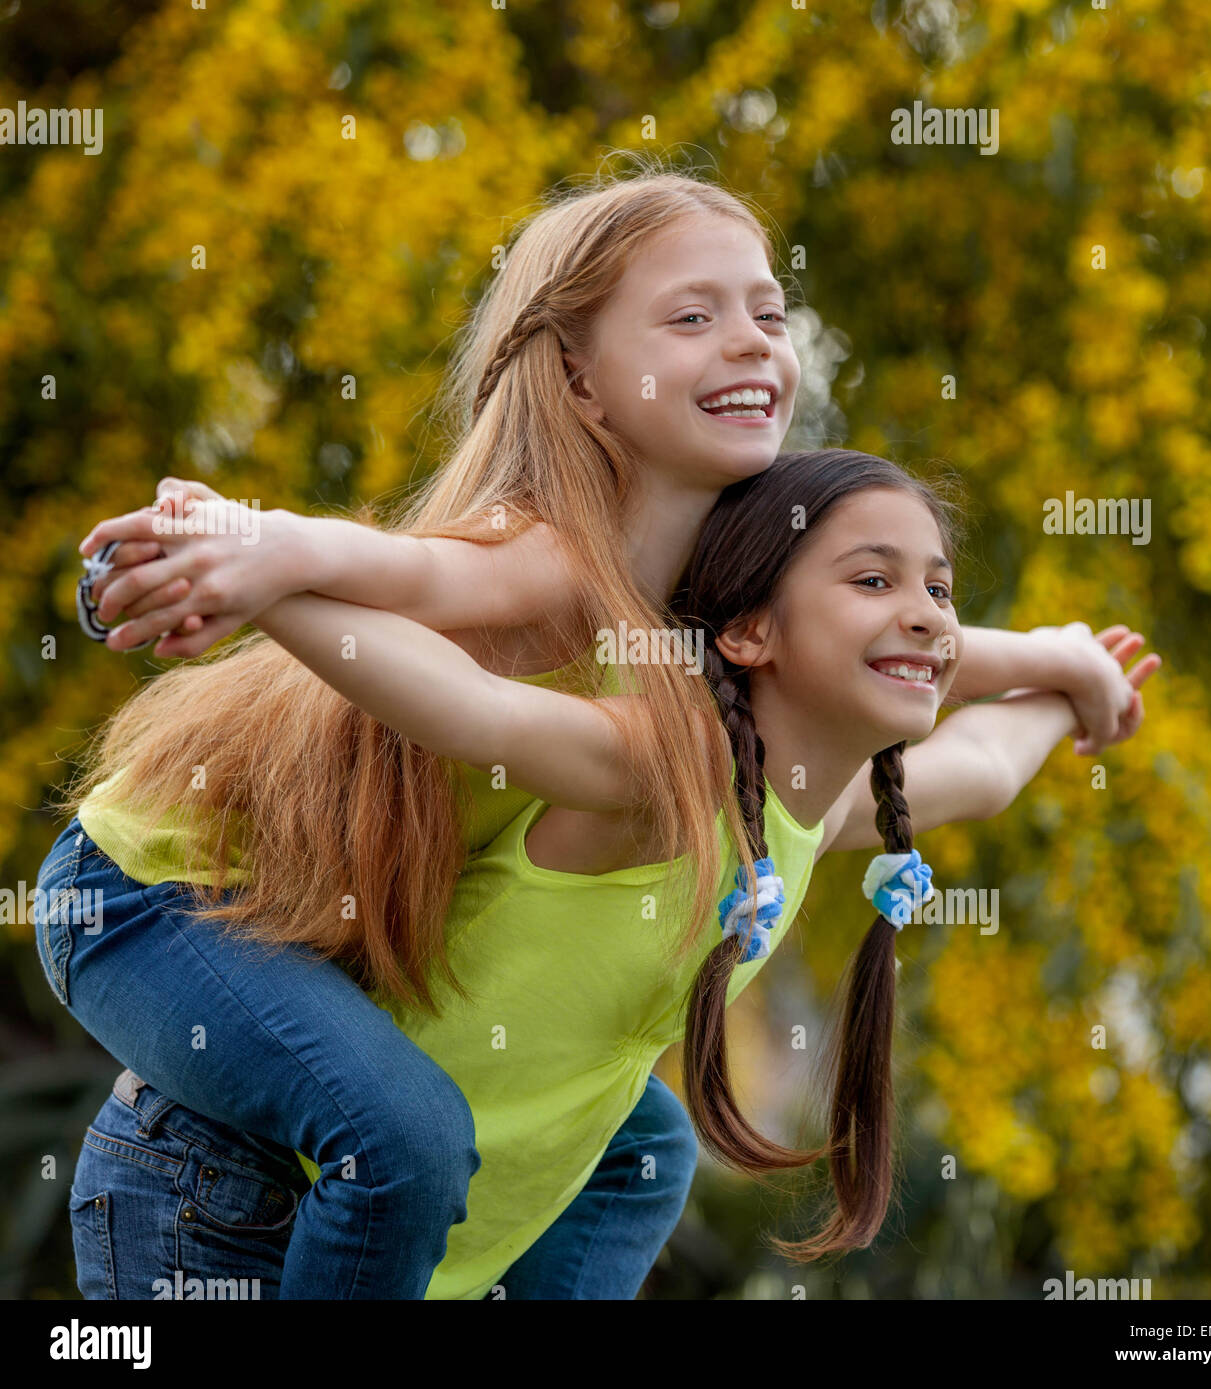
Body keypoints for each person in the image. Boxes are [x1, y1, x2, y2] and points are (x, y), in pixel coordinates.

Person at [40, 164, 1153, 1298]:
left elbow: (881, 643)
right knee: (404, 1136)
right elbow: (403, 578)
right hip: (146, 896)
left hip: (307, 923)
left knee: (643, 1145)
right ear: (581, 383)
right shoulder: (555, 552)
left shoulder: (720, 625)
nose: (750, 341)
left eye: (768, 312)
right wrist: (257, 553)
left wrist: (1062, 665)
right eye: (692, 315)